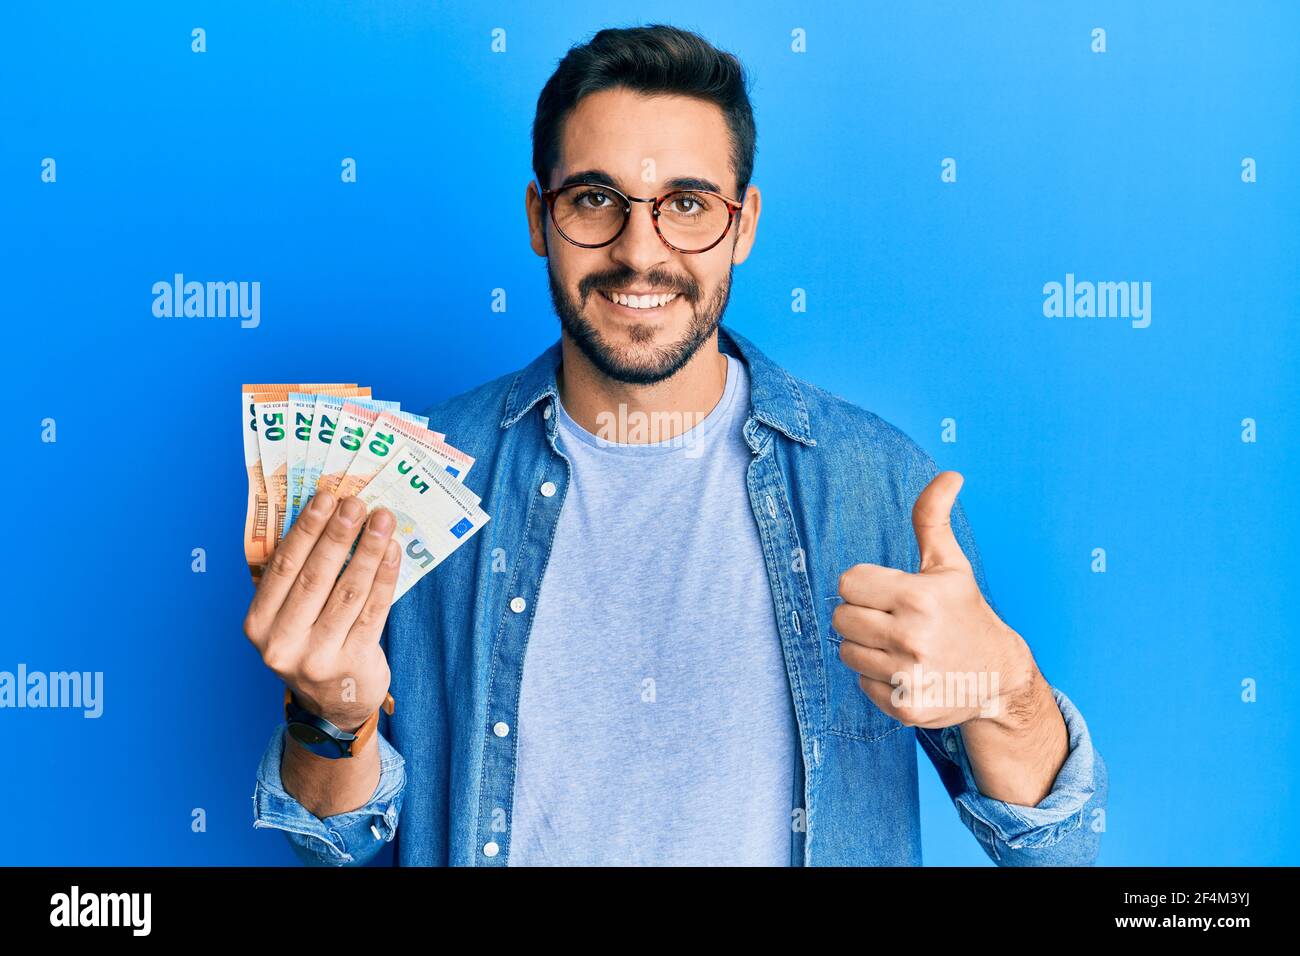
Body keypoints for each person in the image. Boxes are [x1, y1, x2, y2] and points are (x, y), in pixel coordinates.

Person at [246, 24, 1106, 866]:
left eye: (687, 206)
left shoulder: (877, 486)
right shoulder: (418, 486)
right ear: (540, 218)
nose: (639, 251)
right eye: (595, 200)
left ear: (744, 225)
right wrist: (329, 716)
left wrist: (1008, 693)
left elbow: (1056, 851)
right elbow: (333, 843)